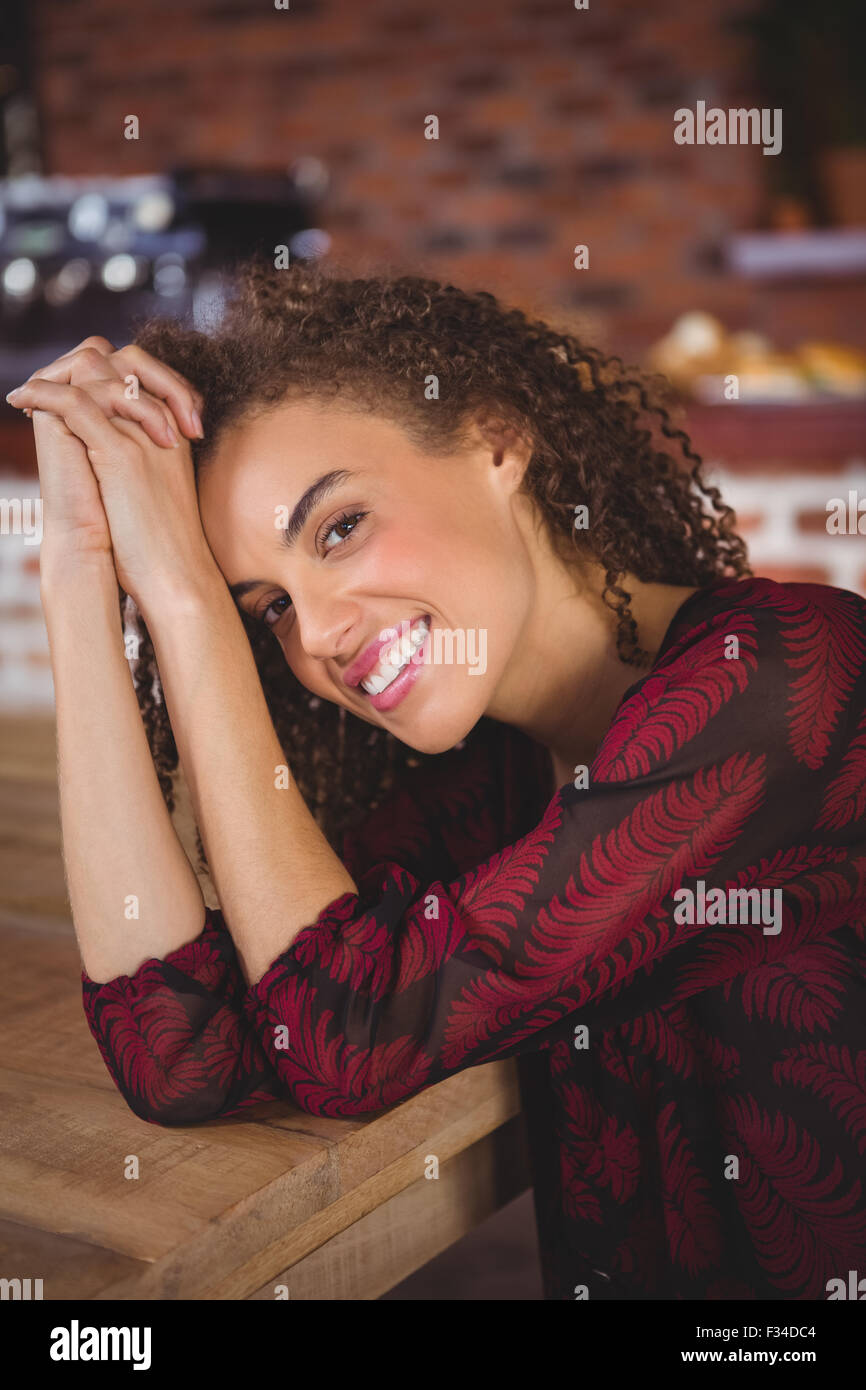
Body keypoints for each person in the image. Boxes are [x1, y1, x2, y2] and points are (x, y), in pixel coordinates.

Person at [13, 261, 866, 1301]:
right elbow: (183, 1049)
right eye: (265, 609)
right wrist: (78, 566)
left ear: (496, 439)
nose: (318, 632)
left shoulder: (786, 677)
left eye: (338, 528)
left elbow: (350, 1034)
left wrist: (189, 604)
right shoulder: (497, 788)